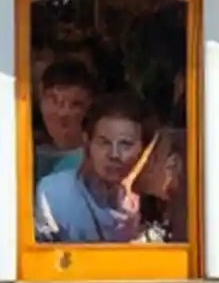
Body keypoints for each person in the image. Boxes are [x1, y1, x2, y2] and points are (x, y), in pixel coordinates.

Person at [34, 92, 151, 243]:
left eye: (125, 144)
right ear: (87, 142)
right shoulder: (54, 193)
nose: (114, 154)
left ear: (143, 149)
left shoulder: (153, 197)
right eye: (104, 143)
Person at [34, 60, 95, 182]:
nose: (63, 113)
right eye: (54, 101)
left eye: (76, 104)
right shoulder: (28, 155)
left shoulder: (95, 162)